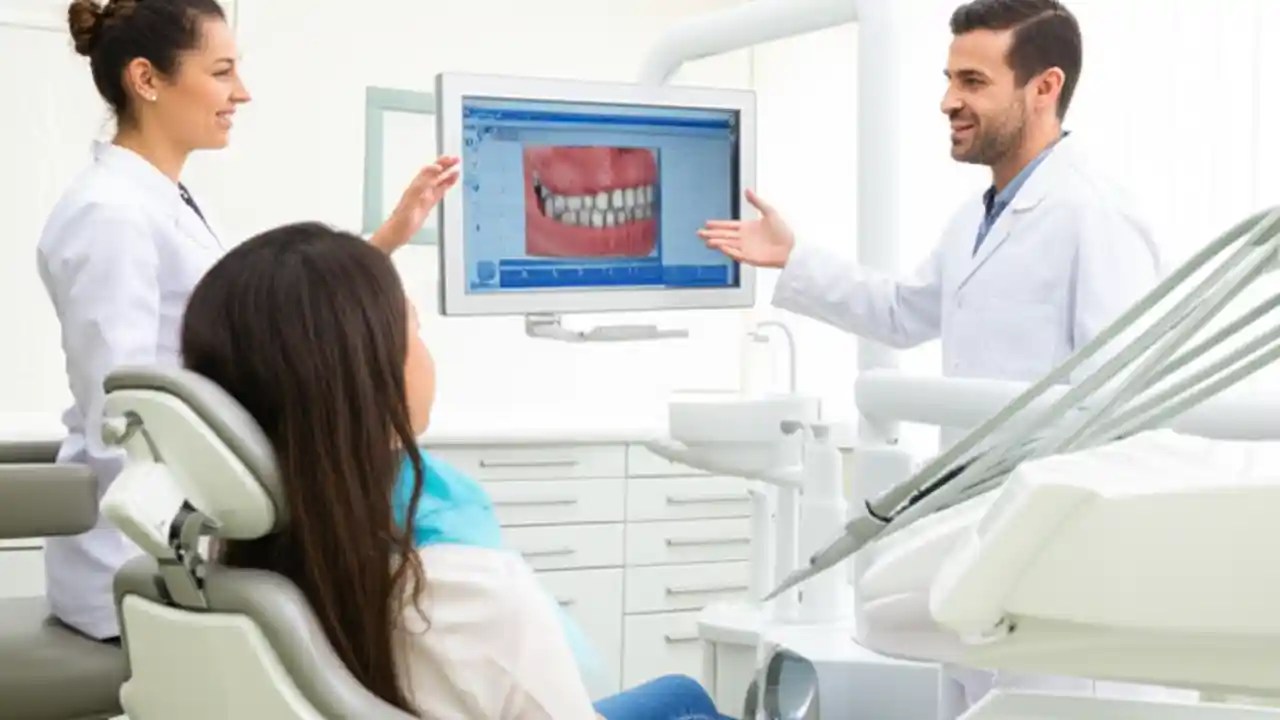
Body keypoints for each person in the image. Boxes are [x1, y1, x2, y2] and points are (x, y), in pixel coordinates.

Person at [699, 0, 1178, 716]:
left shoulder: (1094, 214)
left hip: (1058, 553)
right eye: (949, 79)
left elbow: (1124, 401)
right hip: (986, 536)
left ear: (1044, 87)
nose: (949, 101)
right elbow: (902, 313)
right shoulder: (976, 218)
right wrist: (793, 258)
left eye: (973, 81)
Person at [179, 222, 727, 720]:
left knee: (681, 693)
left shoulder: (230, 563)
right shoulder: (456, 587)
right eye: (414, 329)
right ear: (370, 379)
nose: (425, 352)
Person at [37, 0, 458, 643]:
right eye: (221, 72)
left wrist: (383, 243)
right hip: (131, 555)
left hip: (184, 531)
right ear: (146, 79)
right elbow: (122, 412)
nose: (242, 92)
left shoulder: (163, 199)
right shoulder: (110, 215)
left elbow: (261, 322)